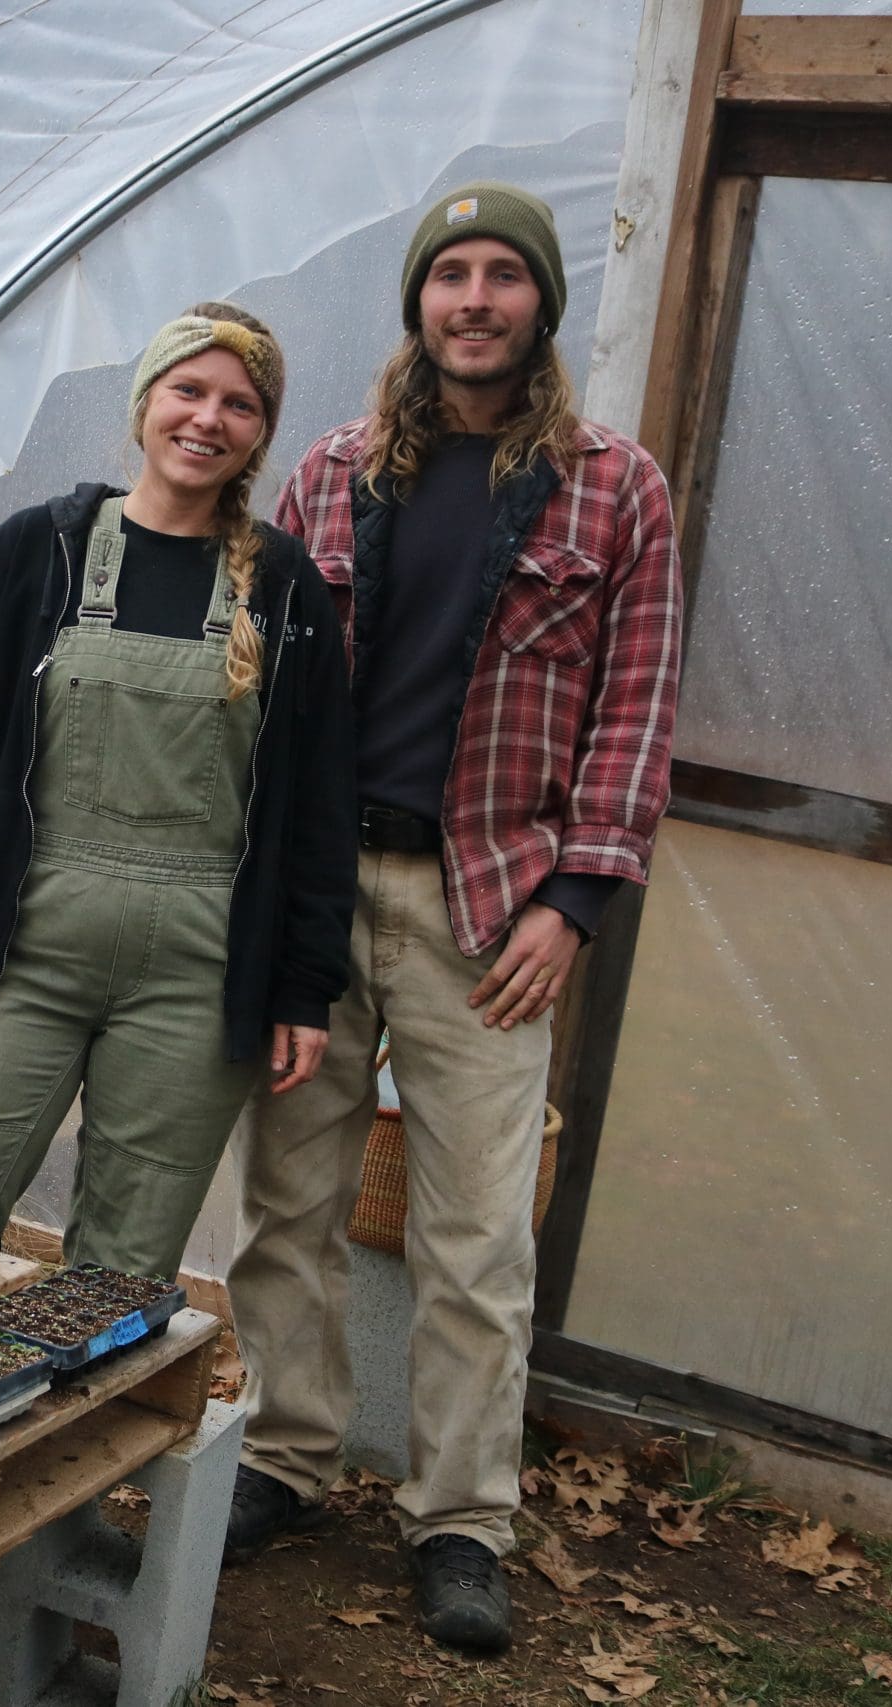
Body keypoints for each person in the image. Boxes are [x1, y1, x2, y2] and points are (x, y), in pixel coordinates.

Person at [222, 184, 683, 1652]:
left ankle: (460, 1520)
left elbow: (636, 710)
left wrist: (577, 900)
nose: (473, 300)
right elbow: (262, 692)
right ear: (418, 301)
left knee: (476, 1239)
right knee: (288, 1202)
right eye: (449, 275)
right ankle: (285, 1455)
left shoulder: (614, 488)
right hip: (317, 896)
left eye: (503, 276)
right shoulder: (332, 472)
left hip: (486, 912)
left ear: (542, 304)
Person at [0, 303, 356, 1282]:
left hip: (197, 978)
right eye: (188, 390)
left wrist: (304, 985)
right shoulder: (33, 553)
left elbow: (316, 800)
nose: (208, 418)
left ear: (261, 432)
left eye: (240, 404)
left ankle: (67, 1386)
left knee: (116, 1277)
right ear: (144, 404)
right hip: (19, 955)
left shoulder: (283, 586)